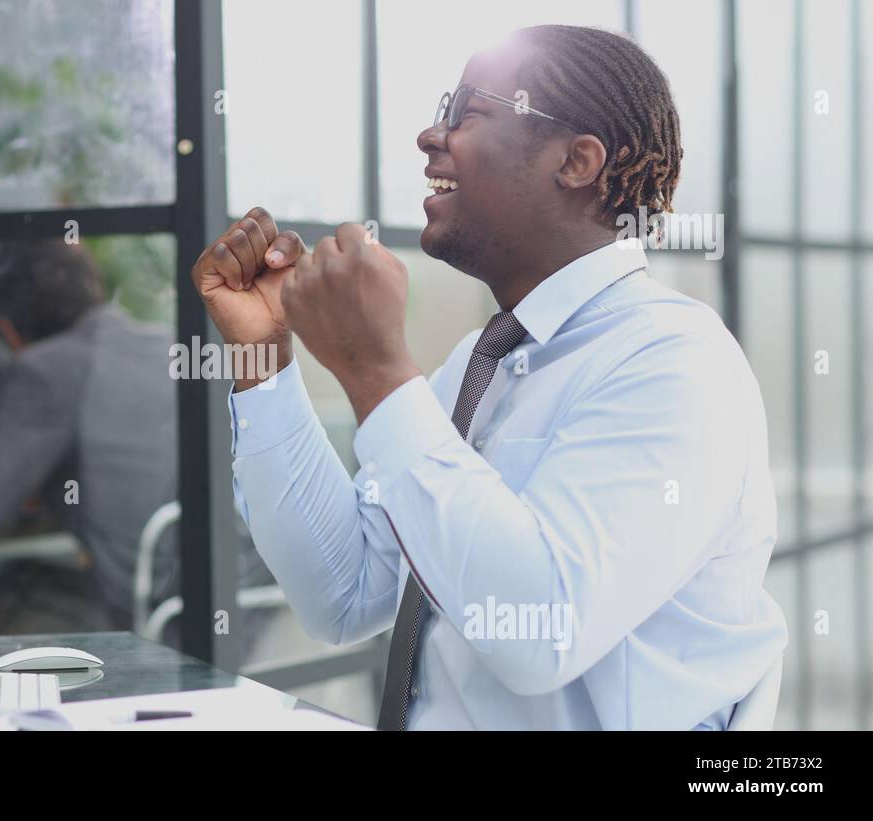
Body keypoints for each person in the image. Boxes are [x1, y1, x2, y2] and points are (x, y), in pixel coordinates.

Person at [192, 25, 787, 730]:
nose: (428, 136)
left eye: (468, 113)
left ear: (577, 161)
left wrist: (376, 373)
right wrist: (266, 361)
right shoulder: (479, 365)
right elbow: (342, 592)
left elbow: (544, 629)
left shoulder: (675, 362)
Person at [0, 240, 179, 633]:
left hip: (142, 615)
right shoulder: (170, 345)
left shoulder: (48, 370)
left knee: (6, 598)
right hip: (226, 601)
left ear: (8, 329)